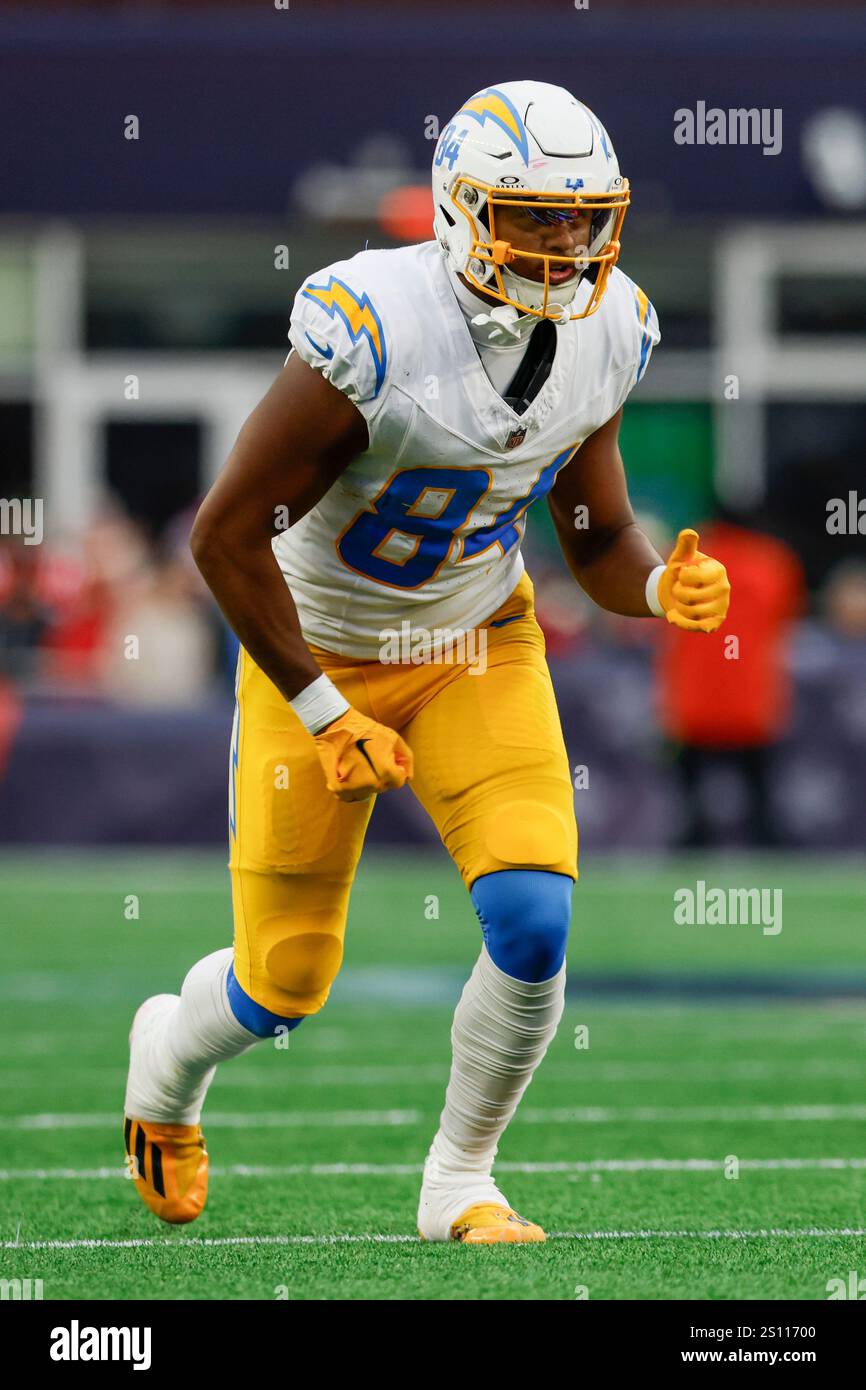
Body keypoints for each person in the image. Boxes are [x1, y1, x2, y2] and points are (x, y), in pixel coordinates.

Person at [123, 81, 730, 1244]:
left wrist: (657, 586)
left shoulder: (611, 326)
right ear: (458, 211)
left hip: (473, 643)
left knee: (532, 918)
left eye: (580, 217)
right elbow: (221, 535)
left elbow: (592, 536)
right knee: (284, 980)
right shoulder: (375, 325)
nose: (562, 245)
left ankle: (460, 1176)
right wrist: (317, 706)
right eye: (529, 216)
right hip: (321, 646)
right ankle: (165, 1067)